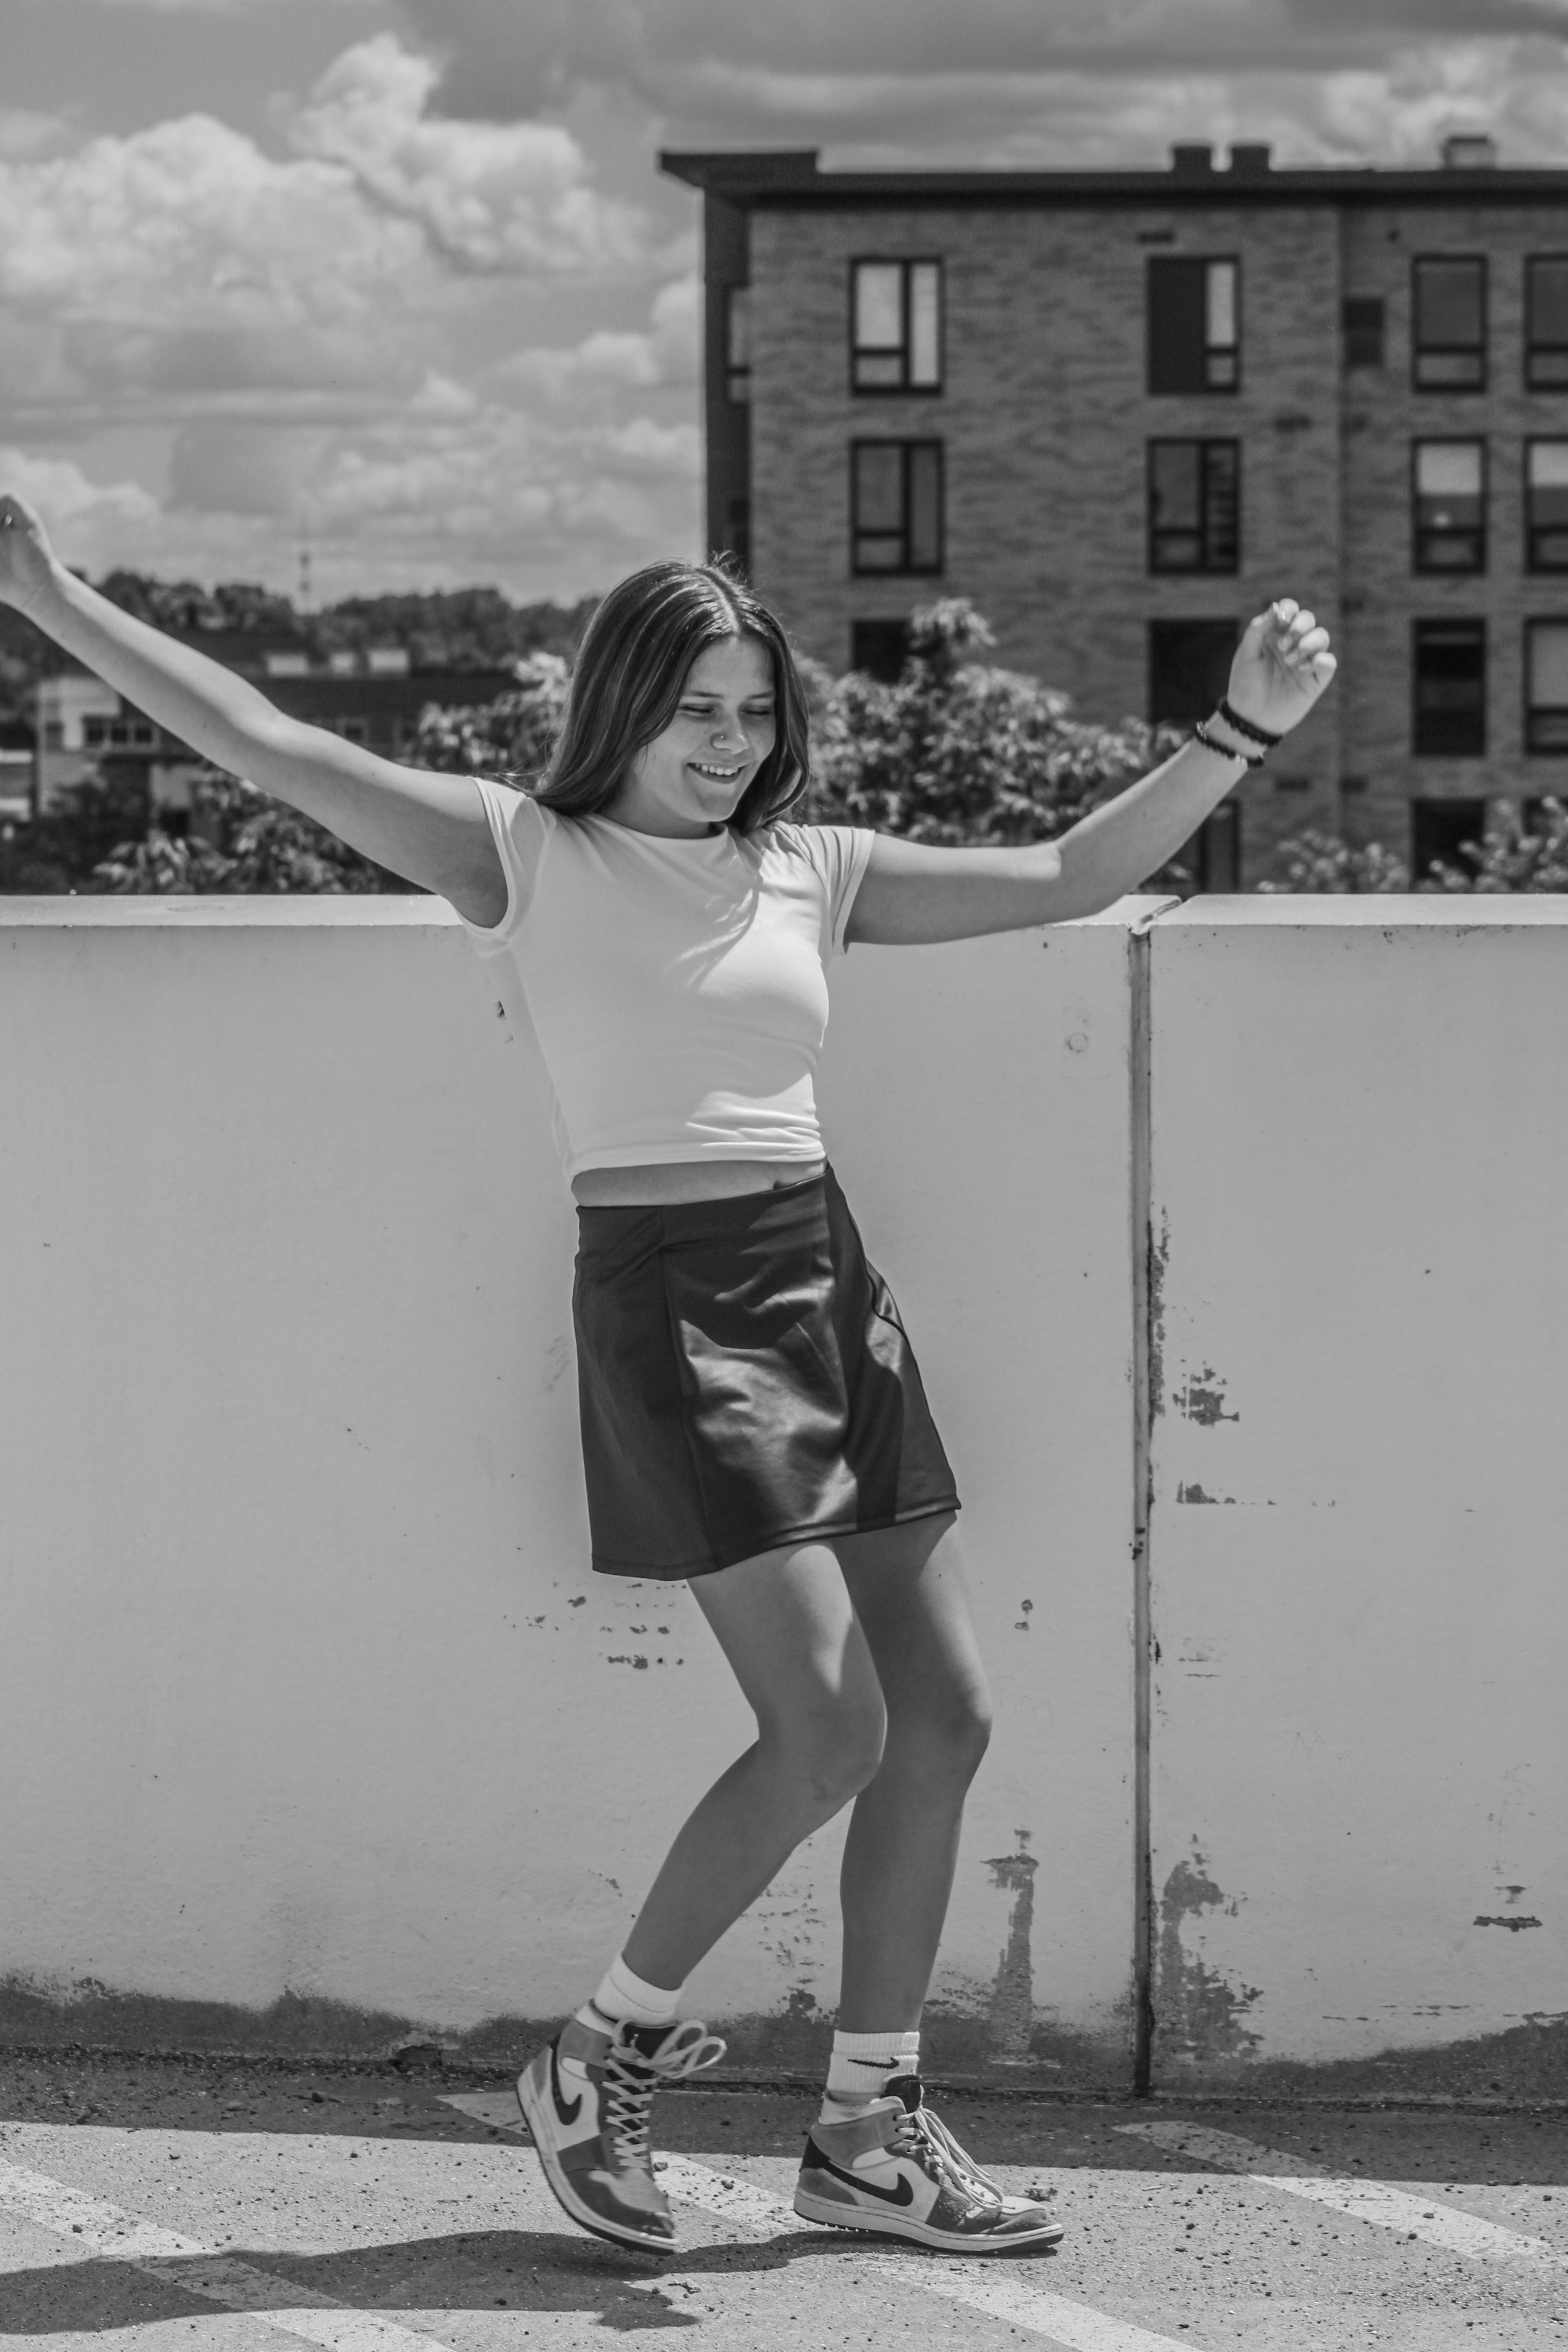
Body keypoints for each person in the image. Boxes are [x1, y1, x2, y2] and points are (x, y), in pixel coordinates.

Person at [0, 491, 1335, 2256]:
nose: (730, 742)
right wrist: (47, 593)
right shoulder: (522, 854)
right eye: (695, 707)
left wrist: (1235, 725)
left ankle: (867, 2125)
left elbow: (1074, 874)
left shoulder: (812, 865)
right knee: (826, 1726)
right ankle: (596, 2051)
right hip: (676, 1306)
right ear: (620, 703)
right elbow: (262, 739)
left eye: (755, 708)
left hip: (827, 1280)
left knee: (940, 1716)